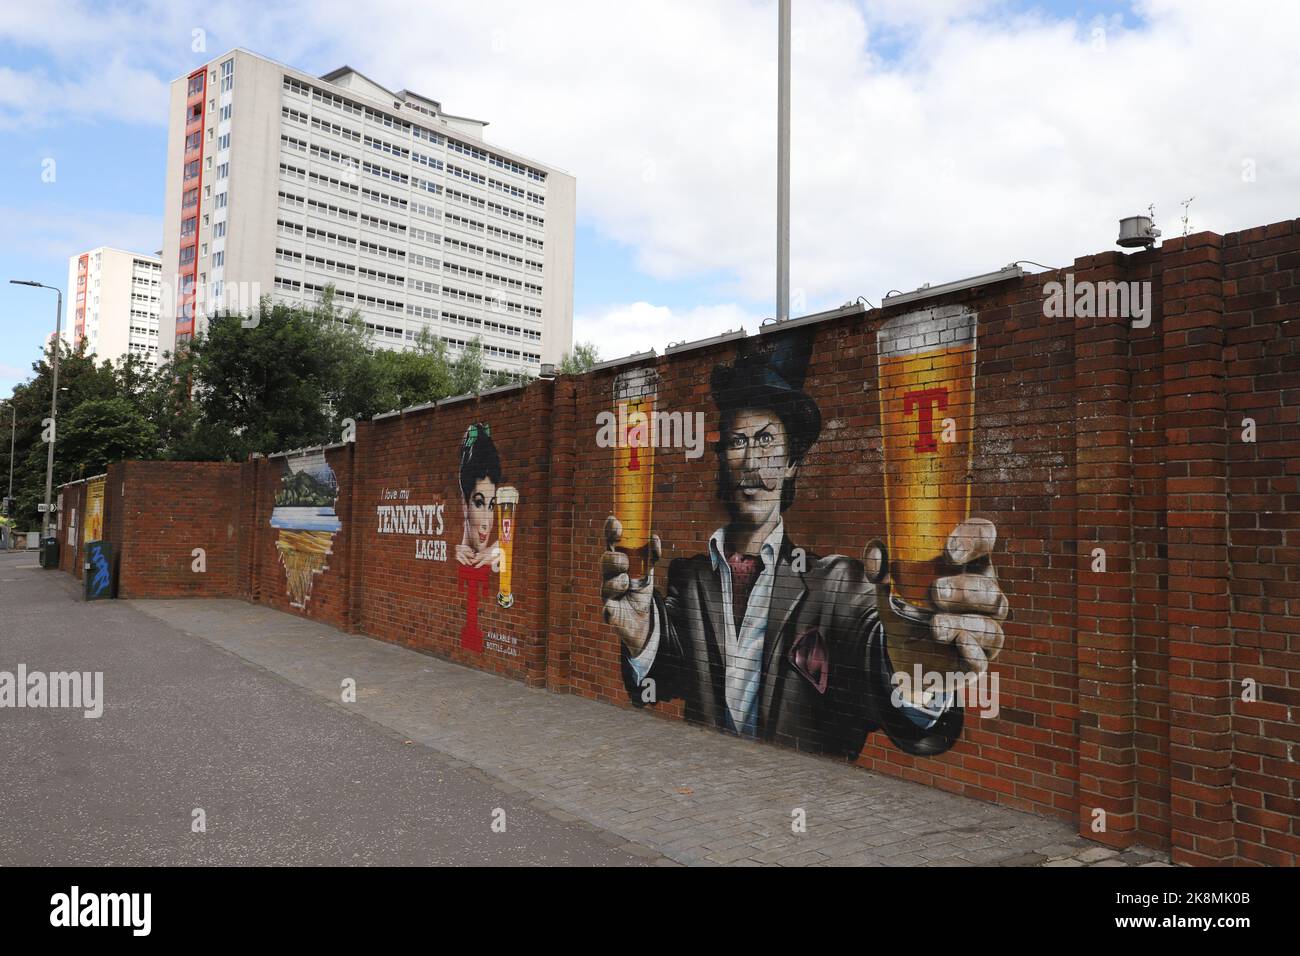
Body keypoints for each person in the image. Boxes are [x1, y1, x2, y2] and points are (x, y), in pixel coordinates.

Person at [600, 333, 1007, 758]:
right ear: (723, 460)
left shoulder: (840, 585)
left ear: (793, 462)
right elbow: (663, 677)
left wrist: (919, 671)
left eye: (765, 441)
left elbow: (877, 659)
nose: (752, 462)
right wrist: (640, 632)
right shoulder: (692, 577)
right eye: (738, 443)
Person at [456, 422, 502, 572]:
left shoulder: (498, 553)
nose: (486, 524)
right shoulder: (459, 553)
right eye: (479, 503)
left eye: (491, 506)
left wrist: (503, 548)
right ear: (465, 504)